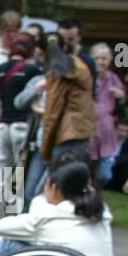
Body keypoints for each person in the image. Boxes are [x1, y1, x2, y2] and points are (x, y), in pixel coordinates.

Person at [35, 35, 95, 199]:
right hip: (81, 131)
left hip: (65, 134)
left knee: (47, 189)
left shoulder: (57, 72)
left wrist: (45, 150)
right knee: (74, 185)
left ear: (43, 53)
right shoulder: (79, 67)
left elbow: (52, 113)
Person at [0, 32, 40, 211]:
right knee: (17, 169)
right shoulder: (33, 71)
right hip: (21, 125)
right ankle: (14, 211)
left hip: (1, 125)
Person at [89, 44, 125, 187]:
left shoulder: (113, 78)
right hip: (90, 127)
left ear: (109, 60)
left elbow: (122, 95)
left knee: (105, 174)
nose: (100, 62)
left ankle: (95, 191)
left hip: (106, 129)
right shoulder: (87, 76)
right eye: (96, 58)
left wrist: (119, 94)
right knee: (88, 166)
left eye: (104, 58)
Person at [58, 19, 98, 92]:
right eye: (62, 39)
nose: (65, 42)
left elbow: (92, 90)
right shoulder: (51, 56)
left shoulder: (88, 61)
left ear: (79, 37)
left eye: (70, 39)